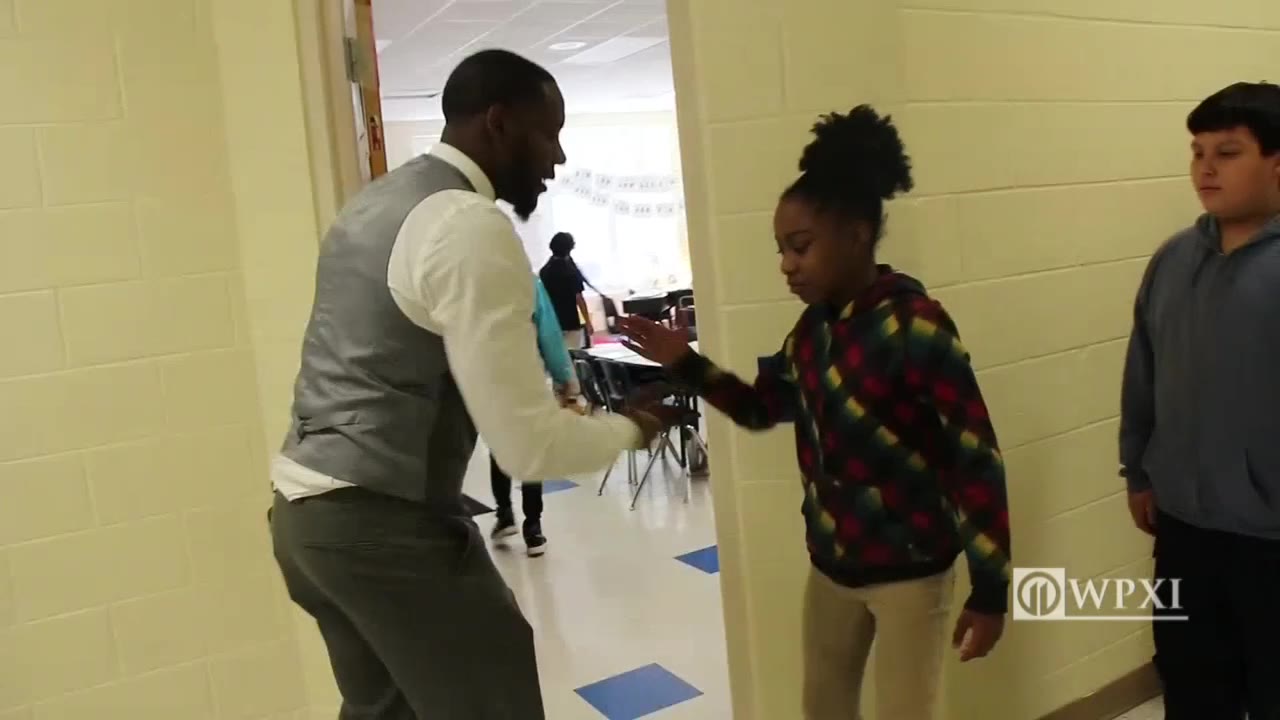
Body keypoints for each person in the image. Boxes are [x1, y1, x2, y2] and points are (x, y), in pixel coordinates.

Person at [267, 49, 665, 720]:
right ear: (499, 123)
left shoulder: (375, 204)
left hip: (304, 521)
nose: (558, 158)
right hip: (385, 525)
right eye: (550, 133)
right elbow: (527, 450)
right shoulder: (467, 225)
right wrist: (632, 427)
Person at [619, 106, 1011, 720]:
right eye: (781, 250)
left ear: (857, 233)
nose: (786, 264)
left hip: (912, 573)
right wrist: (685, 364)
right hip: (832, 568)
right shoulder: (811, 334)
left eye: (800, 246)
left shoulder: (917, 326)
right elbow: (758, 409)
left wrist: (990, 590)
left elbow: (976, 459)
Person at [1119, 81, 1280, 720]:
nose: (1205, 168)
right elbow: (1143, 373)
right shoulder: (1173, 260)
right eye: (1197, 151)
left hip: (1270, 544)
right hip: (1184, 531)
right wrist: (1138, 468)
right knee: (1191, 692)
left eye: (1228, 152)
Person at [490, 275, 581, 556]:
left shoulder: (472, 280)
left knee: (499, 447)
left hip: (491, 379)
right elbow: (549, 335)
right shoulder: (529, 283)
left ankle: (505, 514)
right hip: (527, 377)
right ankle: (533, 528)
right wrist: (564, 378)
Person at [539, 231, 596, 348]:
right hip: (570, 322)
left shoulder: (544, 271)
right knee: (572, 356)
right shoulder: (571, 271)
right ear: (570, 248)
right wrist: (588, 322)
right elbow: (579, 298)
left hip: (550, 322)